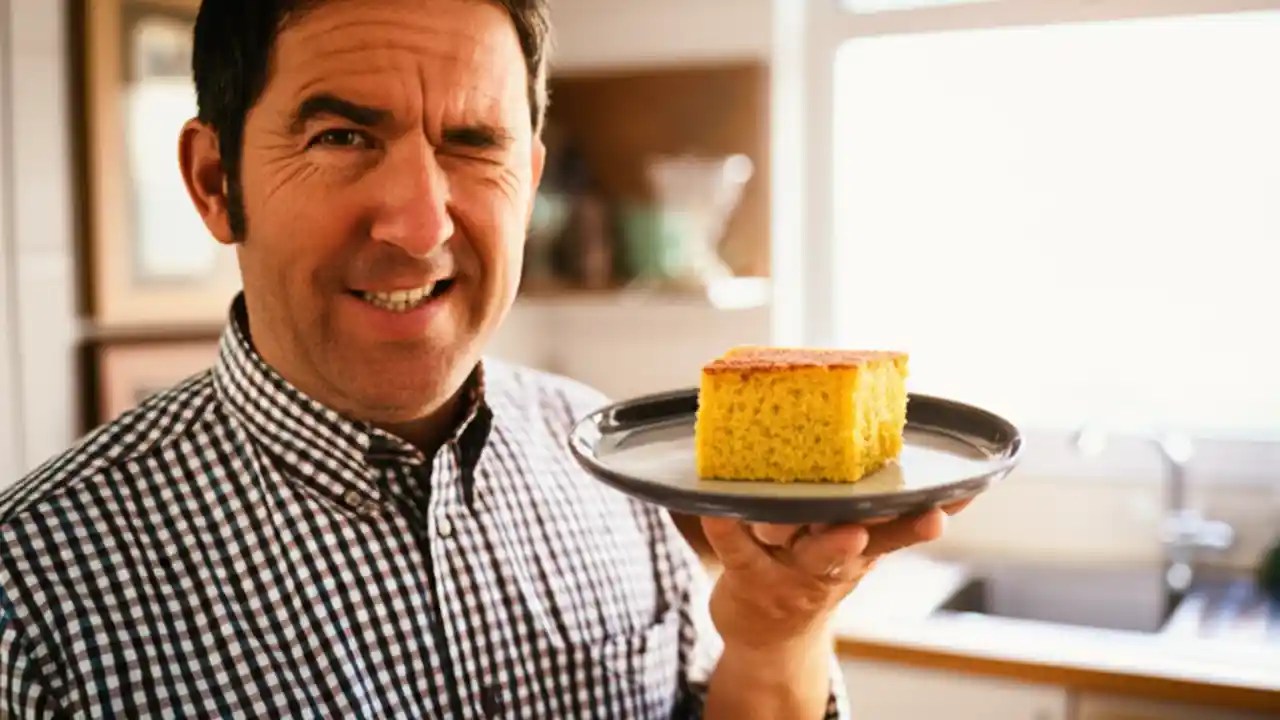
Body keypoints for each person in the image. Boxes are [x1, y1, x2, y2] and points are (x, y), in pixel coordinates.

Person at [0, 0, 964, 717]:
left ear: (530, 176)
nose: (422, 225)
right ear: (216, 183)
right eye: (342, 136)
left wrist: (779, 630)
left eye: (475, 144)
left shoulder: (616, 471)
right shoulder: (29, 601)